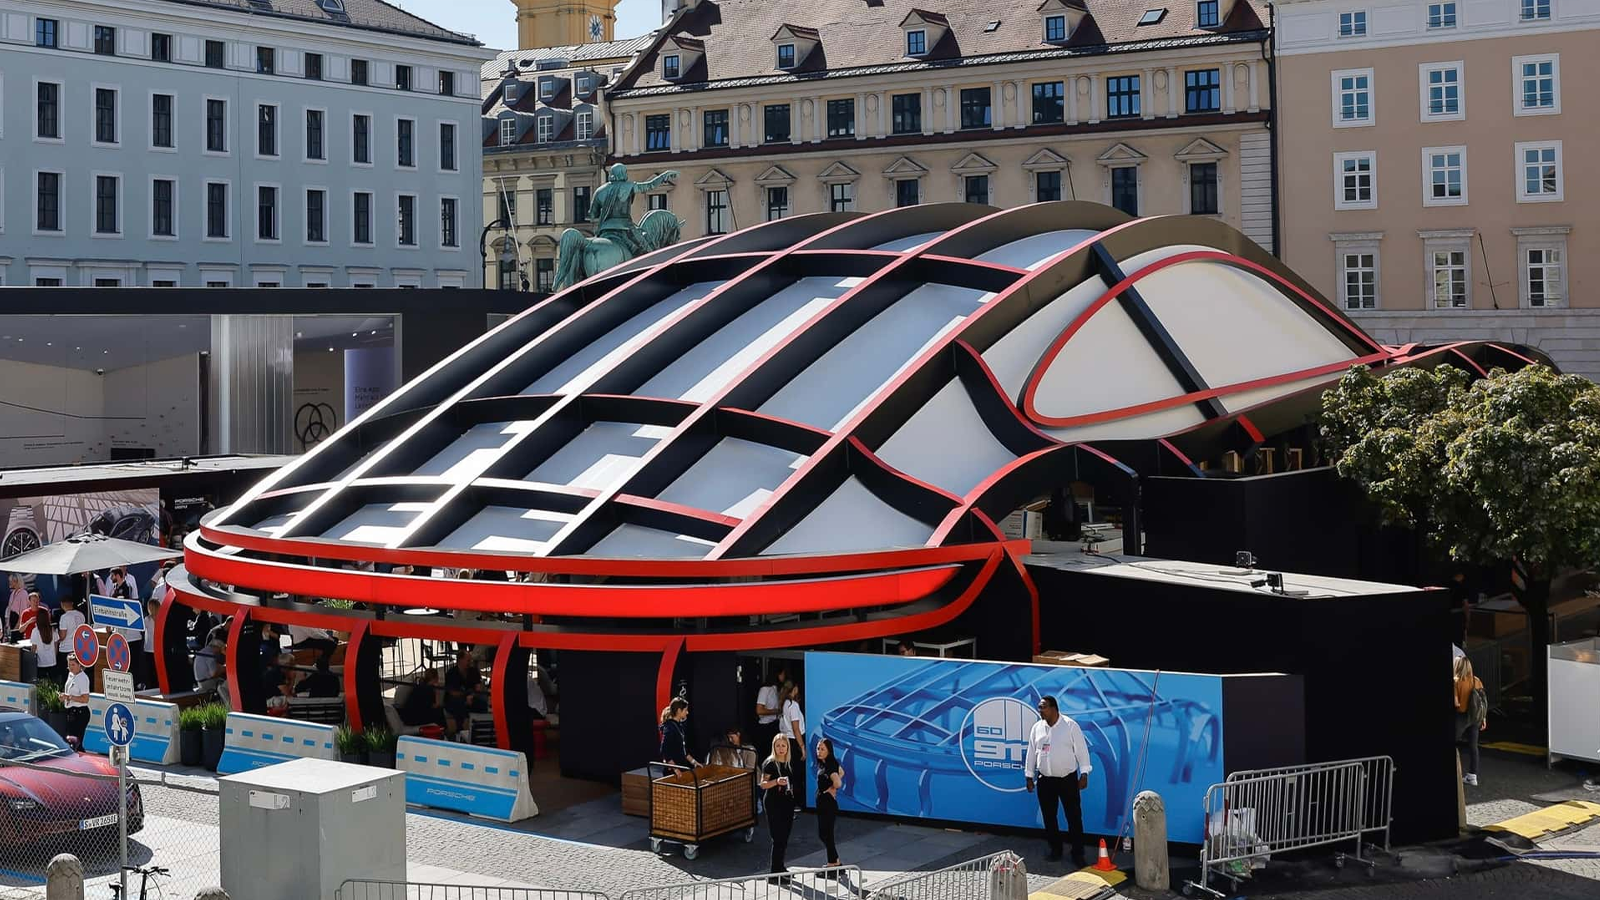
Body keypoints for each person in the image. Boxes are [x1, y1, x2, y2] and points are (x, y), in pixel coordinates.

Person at [1025, 695, 1093, 866]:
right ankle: (1056, 849)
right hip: (1045, 780)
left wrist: (1084, 774)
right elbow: (1032, 751)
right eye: (1039, 707)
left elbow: (1082, 751)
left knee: (1074, 817)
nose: (1040, 710)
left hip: (1067, 779)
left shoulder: (1070, 726)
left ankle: (1078, 853)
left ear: (1054, 708)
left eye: (1043, 707)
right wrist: (1029, 775)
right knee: (1049, 817)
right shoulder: (1037, 728)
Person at [758, 733, 799, 875]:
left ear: (787, 747)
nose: (781, 749)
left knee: (785, 837)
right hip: (773, 802)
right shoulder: (770, 763)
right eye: (778, 746)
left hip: (787, 802)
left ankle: (780, 867)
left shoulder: (789, 763)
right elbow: (763, 784)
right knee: (778, 837)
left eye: (783, 746)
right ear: (773, 747)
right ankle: (774, 872)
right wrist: (776, 782)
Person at [1454, 655, 1487, 786]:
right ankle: (1472, 776)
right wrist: (1483, 718)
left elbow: (1456, 703)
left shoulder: (1456, 681)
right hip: (1475, 717)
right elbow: (1482, 702)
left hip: (1461, 717)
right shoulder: (1476, 680)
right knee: (1473, 746)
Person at [815, 737, 844, 870]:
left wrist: (831, 788)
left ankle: (833, 863)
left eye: (822, 749)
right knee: (825, 833)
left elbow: (838, 782)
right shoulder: (825, 763)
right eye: (818, 748)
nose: (819, 751)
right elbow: (842, 772)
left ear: (829, 751)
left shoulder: (830, 765)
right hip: (823, 803)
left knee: (826, 833)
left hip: (828, 804)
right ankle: (835, 861)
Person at [444, 651, 488, 734]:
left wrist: (471, 696)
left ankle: (481, 729)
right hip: (454, 700)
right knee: (458, 703)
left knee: (482, 703)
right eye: (468, 660)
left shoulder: (473, 671)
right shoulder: (451, 673)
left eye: (470, 660)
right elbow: (452, 692)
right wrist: (465, 696)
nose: (470, 662)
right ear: (460, 660)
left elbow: (478, 687)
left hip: (471, 697)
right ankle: (459, 731)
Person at [399, 669, 452, 734]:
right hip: (414, 718)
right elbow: (436, 705)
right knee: (439, 711)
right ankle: (445, 731)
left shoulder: (420, 686)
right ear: (436, 678)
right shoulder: (429, 689)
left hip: (408, 716)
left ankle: (444, 731)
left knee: (438, 711)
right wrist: (437, 691)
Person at [659, 698, 699, 769]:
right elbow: (664, 750)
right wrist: (676, 769)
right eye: (685, 710)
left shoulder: (679, 726)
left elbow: (683, 750)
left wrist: (694, 762)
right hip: (673, 772)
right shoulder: (670, 728)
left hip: (682, 767)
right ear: (679, 711)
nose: (687, 712)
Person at [755, 665, 786, 754]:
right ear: (778, 675)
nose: (784, 677)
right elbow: (759, 710)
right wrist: (776, 711)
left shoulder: (775, 689)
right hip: (766, 726)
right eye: (783, 674)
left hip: (774, 724)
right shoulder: (765, 689)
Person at [62, 656, 91, 745]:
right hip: (70, 711)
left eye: (73, 665)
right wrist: (63, 697)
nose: (70, 667)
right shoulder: (70, 674)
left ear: (79, 665)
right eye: (69, 665)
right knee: (68, 739)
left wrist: (70, 697)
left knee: (76, 742)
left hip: (80, 713)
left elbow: (85, 699)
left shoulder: (83, 678)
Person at [55, 596, 86, 669]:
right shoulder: (80, 615)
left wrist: (56, 638)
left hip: (66, 648)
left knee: (67, 672)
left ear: (62, 605)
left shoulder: (64, 617)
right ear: (72, 603)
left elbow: (62, 635)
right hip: (79, 647)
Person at [32, 609, 60, 686]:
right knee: (53, 685)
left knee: (42, 686)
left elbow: (33, 648)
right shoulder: (52, 630)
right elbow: (56, 645)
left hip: (41, 663)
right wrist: (54, 656)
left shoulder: (35, 631)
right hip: (52, 662)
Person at [4, 574, 28, 639]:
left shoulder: (23, 593)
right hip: (11, 621)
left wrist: (16, 628)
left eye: (11, 581)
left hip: (17, 622)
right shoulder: (13, 593)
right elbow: (9, 609)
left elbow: (23, 613)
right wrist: (7, 625)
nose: (9, 583)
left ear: (16, 581)